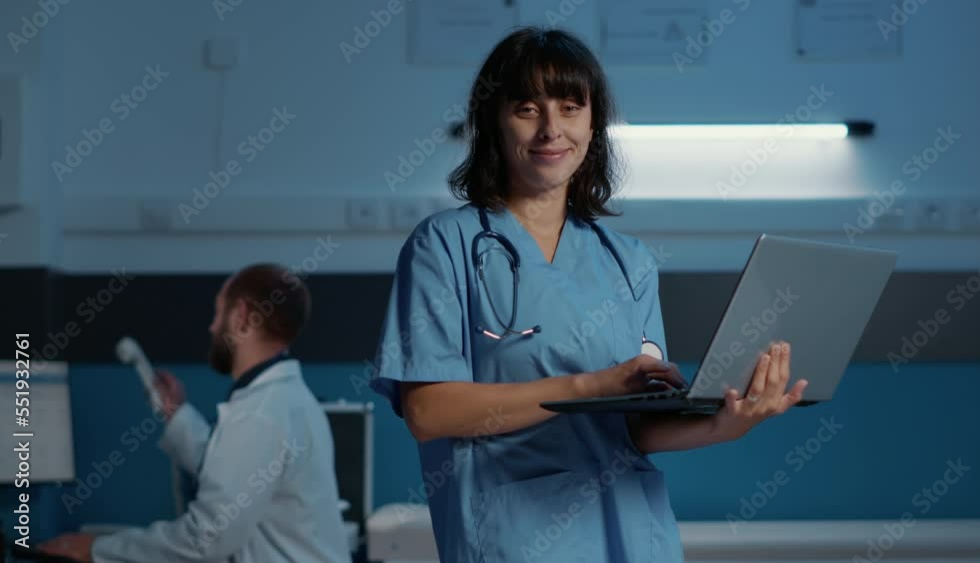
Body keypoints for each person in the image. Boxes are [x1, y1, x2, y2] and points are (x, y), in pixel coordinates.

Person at [370, 27, 809, 562]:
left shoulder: (630, 261)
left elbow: (636, 427)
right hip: (515, 537)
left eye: (571, 107)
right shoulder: (446, 246)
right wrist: (587, 385)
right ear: (494, 122)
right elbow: (430, 412)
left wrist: (726, 423)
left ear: (593, 123)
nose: (552, 129)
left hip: (633, 535)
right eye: (528, 109)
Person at [41, 264, 351, 563]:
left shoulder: (261, 413)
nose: (212, 327)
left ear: (242, 316)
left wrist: (98, 549)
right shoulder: (285, 401)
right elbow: (229, 476)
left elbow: (207, 536)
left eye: (219, 313)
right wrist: (175, 413)